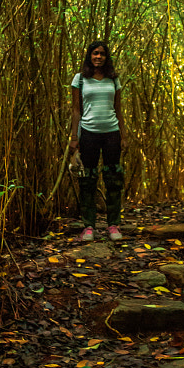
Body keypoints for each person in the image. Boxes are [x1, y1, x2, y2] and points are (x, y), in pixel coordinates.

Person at [70, 41, 125, 242]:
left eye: (102, 54)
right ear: (89, 56)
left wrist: (124, 136)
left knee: (113, 179)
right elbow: (76, 110)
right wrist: (74, 137)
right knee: (87, 180)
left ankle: (113, 225)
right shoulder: (80, 79)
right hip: (88, 133)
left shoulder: (113, 79)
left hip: (112, 132)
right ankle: (89, 226)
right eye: (95, 53)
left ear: (106, 57)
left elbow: (118, 109)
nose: (98, 57)